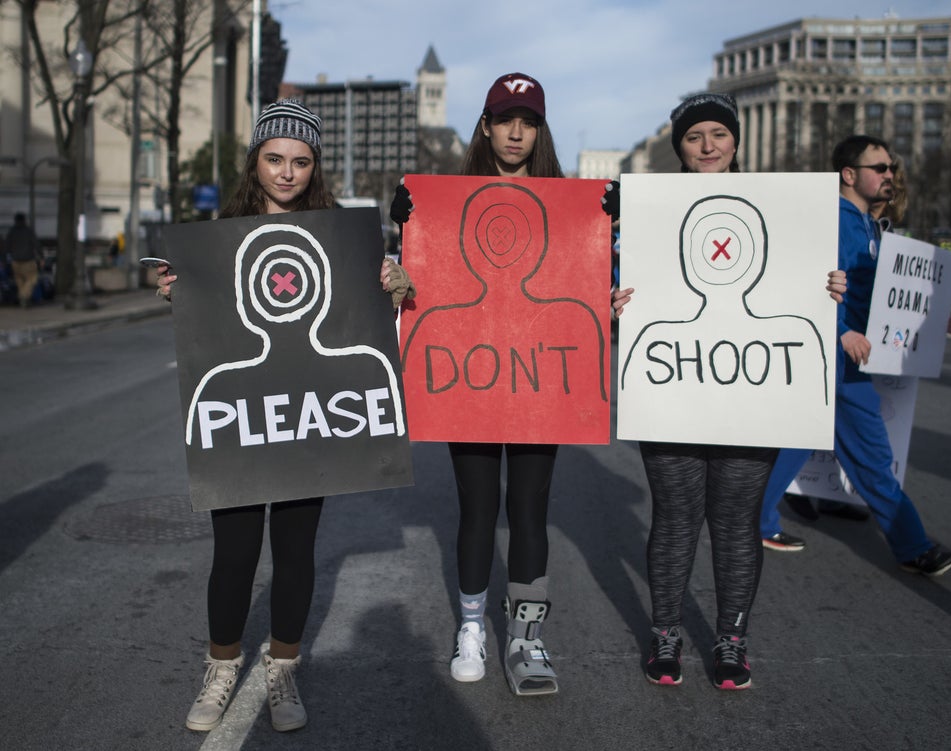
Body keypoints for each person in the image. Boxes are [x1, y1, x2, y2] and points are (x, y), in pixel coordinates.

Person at [155, 99, 414, 733]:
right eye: (275, 158)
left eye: (300, 161)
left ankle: (282, 668)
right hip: (245, 423)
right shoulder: (220, 236)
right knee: (235, 553)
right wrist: (176, 293)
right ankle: (220, 669)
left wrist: (395, 286)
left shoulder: (340, 237)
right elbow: (210, 329)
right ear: (256, 161)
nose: (287, 172)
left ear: (314, 166)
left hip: (310, 420)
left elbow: (376, 318)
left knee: (296, 552)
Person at [610, 93, 847, 690]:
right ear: (680, 147)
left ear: (736, 142)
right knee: (676, 516)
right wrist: (615, 303)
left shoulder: (783, 211)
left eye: (719, 134)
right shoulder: (647, 215)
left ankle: (731, 639)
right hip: (674, 388)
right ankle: (666, 634)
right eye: (695, 137)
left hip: (755, 393)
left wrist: (830, 288)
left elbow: (806, 288)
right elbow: (613, 285)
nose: (709, 145)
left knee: (736, 520)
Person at [391, 72, 614, 696]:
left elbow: (594, 295)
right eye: (505, 118)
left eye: (529, 121)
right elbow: (411, 289)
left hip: (542, 379)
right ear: (485, 125)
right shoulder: (447, 199)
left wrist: (605, 230)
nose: (516, 132)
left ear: (539, 131)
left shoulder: (569, 203)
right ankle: (471, 627)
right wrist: (405, 231)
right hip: (474, 379)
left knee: (530, 511)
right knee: (477, 508)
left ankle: (526, 634)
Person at [757, 135, 951, 576]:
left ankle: (756, 520)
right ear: (849, 175)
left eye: (891, 167)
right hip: (837, 357)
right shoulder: (837, 220)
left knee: (799, 440)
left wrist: (932, 313)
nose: (890, 175)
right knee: (868, 453)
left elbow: (882, 291)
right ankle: (912, 546)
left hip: (841, 358)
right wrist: (842, 330)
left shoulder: (865, 222)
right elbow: (809, 281)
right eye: (880, 168)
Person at [5, 212, 42, 308]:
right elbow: (36, 244)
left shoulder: (12, 231)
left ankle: (23, 298)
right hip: (28, 260)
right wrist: (41, 256)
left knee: (19, 280)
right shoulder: (28, 231)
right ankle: (24, 297)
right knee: (32, 279)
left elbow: (7, 246)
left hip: (15, 260)